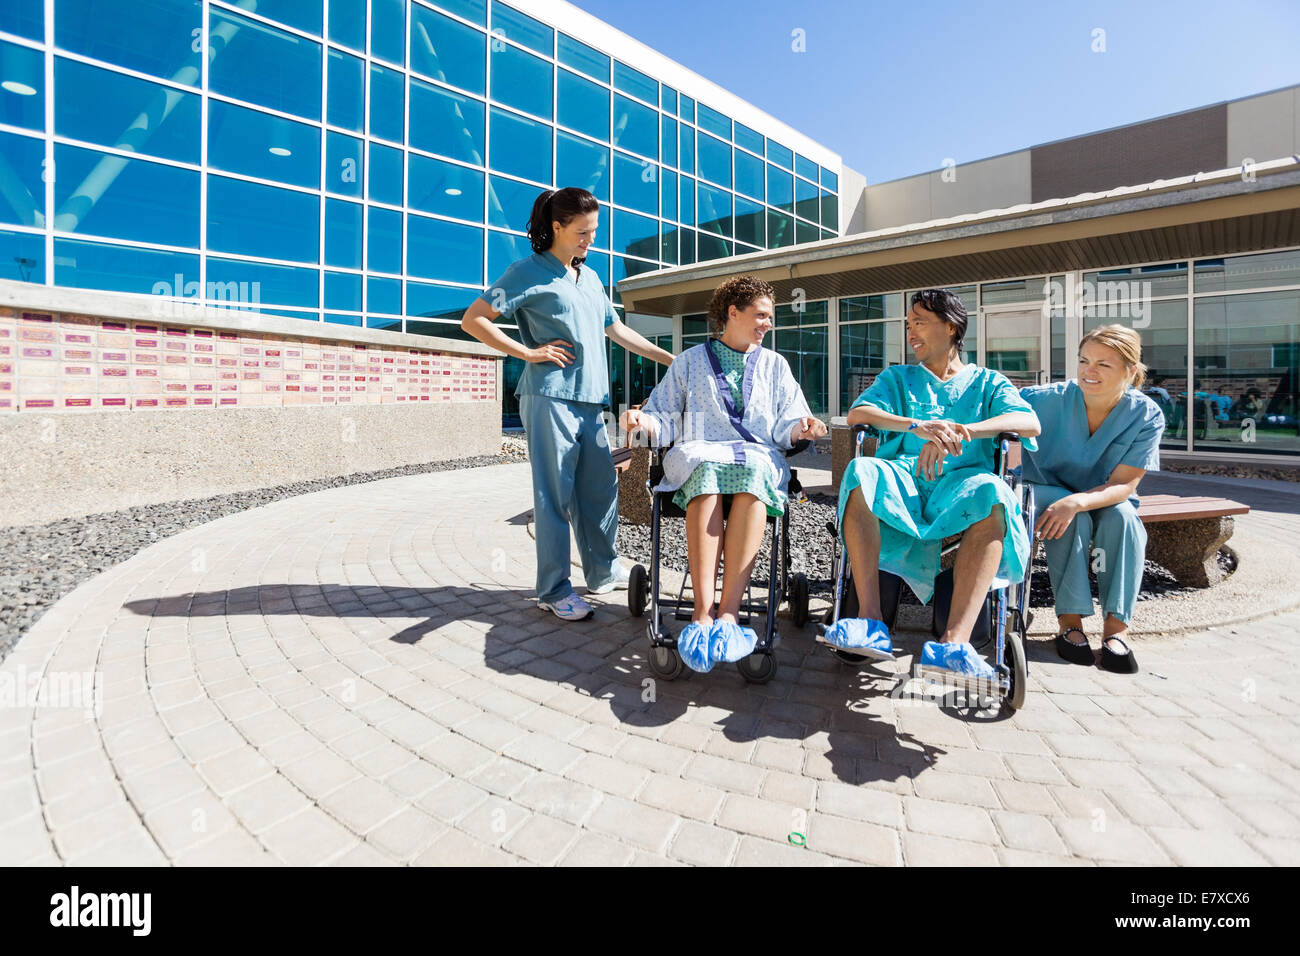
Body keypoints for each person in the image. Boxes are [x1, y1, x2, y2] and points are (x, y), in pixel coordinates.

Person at [461, 187, 673, 622]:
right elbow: (474, 320)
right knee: (553, 496)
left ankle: (602, 571)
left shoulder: (590, 278)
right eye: (582, 231)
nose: (589, 239)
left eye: (594, 231)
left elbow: (616, 331)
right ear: (556, 228)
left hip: (592, 402)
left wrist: (673, 359)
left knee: (600, 489)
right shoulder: (526, 273)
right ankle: (554, 589)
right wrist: (527, 353)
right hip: (550, 398)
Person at [825, 289, 1041, 682]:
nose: (910, 332)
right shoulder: (898, 377)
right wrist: (918, 426)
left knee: (993, 492)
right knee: (862, 471)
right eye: (908, 324)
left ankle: (953, 645)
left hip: (961, 484)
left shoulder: (988, 382)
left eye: (919, 322)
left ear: (952, 326)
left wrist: (962, 430)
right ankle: (870, 621)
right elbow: (859, 413)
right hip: (903, 478)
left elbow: (1029, 423)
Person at [620, 276, 826, 672]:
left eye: (771, 317)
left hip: (756, 457)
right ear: (733, 313)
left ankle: (729, 615)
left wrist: (803, 428)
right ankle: (702, 613)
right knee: (707, 470)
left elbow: (789, 423)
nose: (767, 324)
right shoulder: (688, 362)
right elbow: (663, 418)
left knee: (752, 472)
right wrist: (641, 419)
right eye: (761, 315)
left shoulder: (775, 366)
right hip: (700, 454)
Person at [1020, 324, 1164, 674]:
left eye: (1103, 364)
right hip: (1046, 487)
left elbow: (1125, 484)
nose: (1089, 371)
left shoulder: (1145, 415)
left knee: (1124, 520)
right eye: (1084, 361)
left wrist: (1079, 501)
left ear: (1130, 371)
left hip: (1103, 495)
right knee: (1069, 517)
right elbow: (995, 408)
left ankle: (1116, 629)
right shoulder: (1043, 400)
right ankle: (1070, 623)